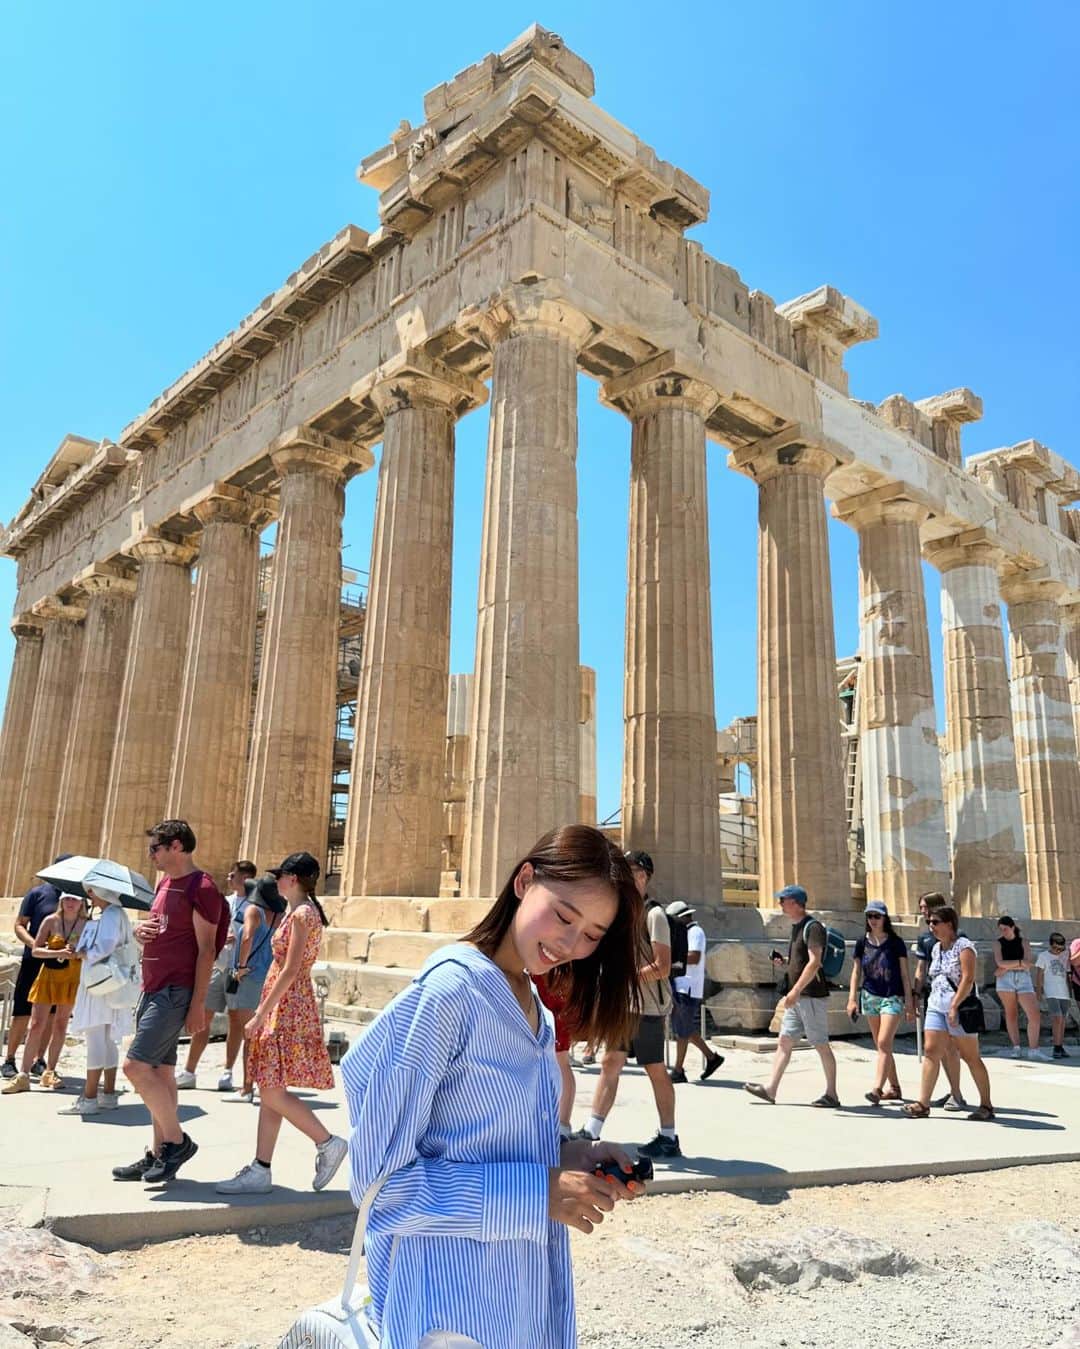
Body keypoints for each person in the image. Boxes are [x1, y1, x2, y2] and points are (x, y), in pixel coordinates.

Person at [340, 824, 646, 1348]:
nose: (571, 944)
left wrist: (575, 1154)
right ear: (525, 880)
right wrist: (537, 1195)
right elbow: (380, 1188)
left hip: (520, 1299)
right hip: (450, 1307)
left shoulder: (534, 1010)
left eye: (593, 935)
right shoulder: (450, 995)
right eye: (565, 916)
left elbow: (494, 1144)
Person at [216, 853, 347, 1195]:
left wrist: (261, 1013)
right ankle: (261, 1168)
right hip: (286, 1000)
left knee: (271, 1088)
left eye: (281, 875)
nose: (275, 881)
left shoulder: (303, 913)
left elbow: (290, 969)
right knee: (271, 1085)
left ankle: (327, 1142)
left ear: (294, 878)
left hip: (287, 1003)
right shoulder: (298, 911)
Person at [112, 819, 225, 1186]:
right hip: (153, 986)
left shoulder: (201, 887)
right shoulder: (164, 884)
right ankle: (158, 1153)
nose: (151, 855)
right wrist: (138, 931)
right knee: (160, 1074)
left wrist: (198, 1005)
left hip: (176, 990)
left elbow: (207, 950)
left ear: (176, 846)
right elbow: (160, 927)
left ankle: (177, 1142)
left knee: (135, 1067)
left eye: (155, 848)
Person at [576, 849, 681, 1158]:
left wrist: (626, 980)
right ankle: (592, 1129)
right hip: (625, 1005)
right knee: (610, 1062)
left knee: (655, 1069)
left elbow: (662, 965)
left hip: (647, 1006)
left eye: (632, 870)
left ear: (643, 876)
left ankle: (669, 1136)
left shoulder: (655, 915)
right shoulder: (622, 913)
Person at [744, 884, 840, 1108]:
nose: (779, 905)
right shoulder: (797, 927)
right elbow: (802, 962)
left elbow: (815, 962)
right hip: (797, 997)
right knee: (785, 1041)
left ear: (796, 903)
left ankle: (832, 1094)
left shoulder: (813, 927)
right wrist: (785, 963)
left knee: (820, 1044)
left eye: (783, 900)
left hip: (810, 996)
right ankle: (770, 1089)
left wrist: (795, 991)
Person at [903, 905, 994, 1120]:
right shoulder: (935, 948)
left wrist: (954, 1006)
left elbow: (968, 978)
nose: (931, 926)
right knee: (931, 1051)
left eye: (935, 922)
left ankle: (986, 1105)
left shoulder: (964, 946)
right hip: (936, 1005)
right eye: (929, 922)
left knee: (970, 1057)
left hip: (959, 1008)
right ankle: (923, 1103)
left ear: (949, 924)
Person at [175, 859, 257, 1089]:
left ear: (246, 878)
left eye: (234, 875)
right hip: (217, 964)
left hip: (236, 969)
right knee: (203, 1016)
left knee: (235, 1020)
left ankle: (227, 1072)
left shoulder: (255, 906)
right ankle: (189, 1071)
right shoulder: (225, 902)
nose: (229, 878)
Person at [61, 885, 139, 1116]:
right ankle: (108, 1094)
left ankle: (90, 1098)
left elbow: (104, 948)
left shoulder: (111, 915)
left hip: (100, 984)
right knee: (106, 1039)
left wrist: (81, 953)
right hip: (108, 983)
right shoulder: (115, 914)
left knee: (96, 1038)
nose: (89, 897)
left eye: (91, 892)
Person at [2, 891, 86, 1094]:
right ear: (61, 901)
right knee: (37, 1023)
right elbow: (36, 950)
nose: (70, 902)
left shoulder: (88, 925)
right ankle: (23, 1074)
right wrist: (57, 952)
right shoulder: (51, 920)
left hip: (71, 978)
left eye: (74, 899)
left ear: (82, 902)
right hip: (48, 975)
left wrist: (78, 953)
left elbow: (92, 952)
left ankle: (50, 1070)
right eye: (67, 898)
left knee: (61, 1023)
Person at [1, 860, 70, 1080]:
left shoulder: (74, 897)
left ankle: (39, 1060)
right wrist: (35, 945)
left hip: (59, 963)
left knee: (51, 1013)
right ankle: (10, 1059)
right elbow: (20, 924)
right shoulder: (38, 893)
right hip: (34, 959)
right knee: (22, 1009)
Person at [225, 872, 286, 1102]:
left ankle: (246, 1087)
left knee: (249, 1034)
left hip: (249, 977)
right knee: (265, 1035)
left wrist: (240, 966)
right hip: (270, 977)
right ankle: (265, 1083)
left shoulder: (253, 911)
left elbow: (248, 936)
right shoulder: (280, 914)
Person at [847, 900, 914, 1103]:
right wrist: (852, 999)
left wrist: (909, 1001)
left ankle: (877, 1088)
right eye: (870, 916)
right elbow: (856, 971)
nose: (873, 920)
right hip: (869, 995)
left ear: (885, 918)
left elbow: (904, 974)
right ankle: (894, 1087)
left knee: (884, 1042)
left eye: (877, 916)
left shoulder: (896, 942)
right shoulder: (861, 942)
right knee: (882, 1046)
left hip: (892, 996)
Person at [912, 892, 969, 1110]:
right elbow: (921, 967)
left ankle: (957, 1094)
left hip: (953, 999)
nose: (923, 913)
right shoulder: (925, 938)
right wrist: (916, 994)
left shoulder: (957, 936)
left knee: (952, 1048)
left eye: (926, 908)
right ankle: (935, 1097)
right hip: (933, 995)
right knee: (934, 1049)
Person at [666, 901, 723, 1084]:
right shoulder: (685, 933)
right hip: (681, 984)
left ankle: (678, 1069)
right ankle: (711, 1057)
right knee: (683, 1027)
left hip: (688, 986)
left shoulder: (695, 932)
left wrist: (671, 959)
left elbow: (694, 957)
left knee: (682, 1029)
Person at [993, 916, 1046, 1060]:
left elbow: (1029, 962)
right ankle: (1016, 1047)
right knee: (1011, 1013)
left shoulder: (1024, 942)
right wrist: (1019, 963)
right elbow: (999, 962)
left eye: (1005, 929)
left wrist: (1006, 966)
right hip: (1005, 980)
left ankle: (1034, 1049)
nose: (1003, 932)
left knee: (1034, 1014)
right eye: (1001, 929)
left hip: (1022, 978)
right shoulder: (998, 943)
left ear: (1012, 927)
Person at [535, 971, 576, 1139]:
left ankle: (563, 1124)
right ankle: (557, 1123)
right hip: (543, 992)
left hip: (554, 997)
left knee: (561, 1061)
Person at [1035, 933, 1071, 1060]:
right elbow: (1039, 975)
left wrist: (1070, 993)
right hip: (1051, 991)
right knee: (1057, 1017)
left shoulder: (1064, 956)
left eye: (1060, 949)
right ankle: (1056, 1047)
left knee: (1062, 1021)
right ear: (1050, 945)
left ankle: (1060, 1046)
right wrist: (1039, 993)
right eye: (1056, 948)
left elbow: (1067, 975)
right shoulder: (1043, 956)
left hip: (1064, 992)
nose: (1058, 951)